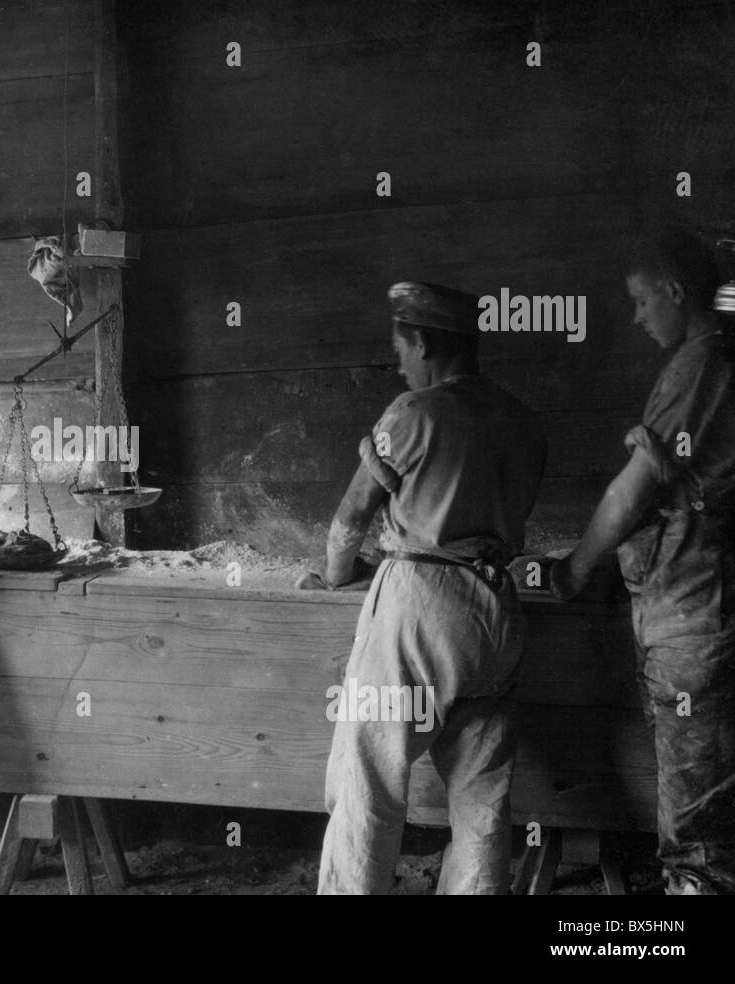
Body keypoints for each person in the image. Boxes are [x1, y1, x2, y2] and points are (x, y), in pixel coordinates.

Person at [300, 281, 547, 894]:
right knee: (482, 795)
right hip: (497, 613)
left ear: (425, 341)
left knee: (368, 777)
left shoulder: (416, 413)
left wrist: (336, 575)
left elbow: (354, 513)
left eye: (402, 349)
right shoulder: (523, 421)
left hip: (423, 607)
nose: (400, 364)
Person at [551, 231, 735, 895]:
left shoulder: (700, 362)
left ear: (676, 292)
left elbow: (632, 492)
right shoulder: (706, 363)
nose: (636, 316)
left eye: (641, 300)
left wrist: (574, 570)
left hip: (694, 620)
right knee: (698, 826)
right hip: (684, 618)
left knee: (698, 850)